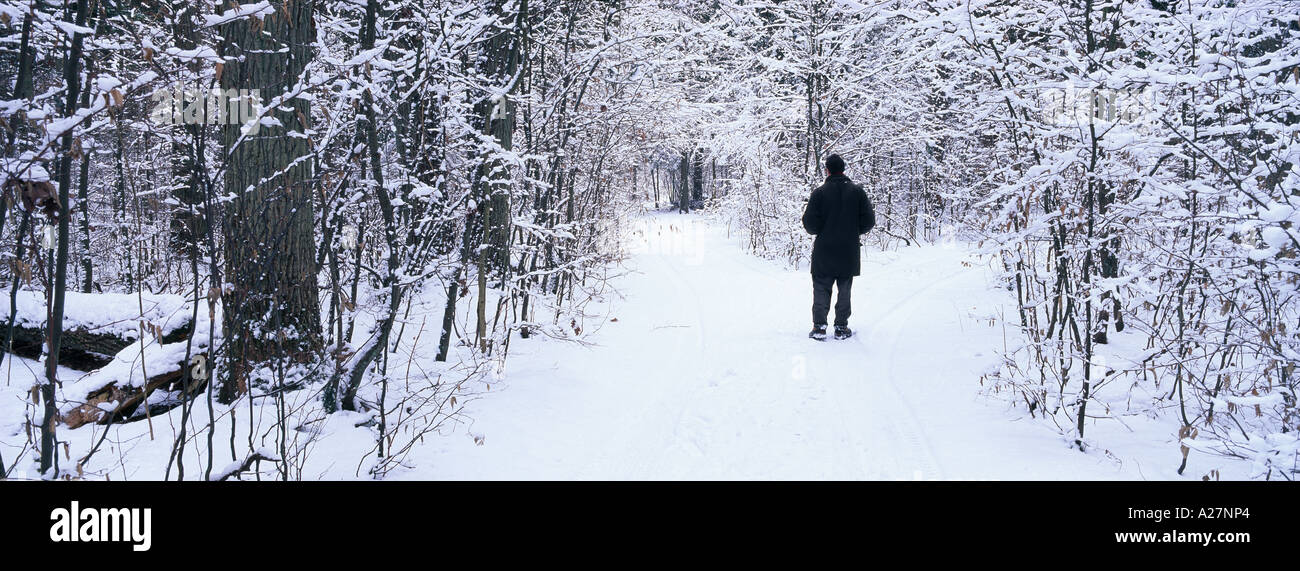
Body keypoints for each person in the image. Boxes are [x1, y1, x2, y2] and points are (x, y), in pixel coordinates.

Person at [801, 154, 875, 341]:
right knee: (845, 289)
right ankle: (841, 327)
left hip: (824, 250)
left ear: (827, 170)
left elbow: (809, 225)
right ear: (844, 169)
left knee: (821, 288)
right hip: (848, 250)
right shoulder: (858, 192)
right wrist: (853, 231)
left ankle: (819, 327)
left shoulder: (818, 193)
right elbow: (869, 221)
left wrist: (823, 229)